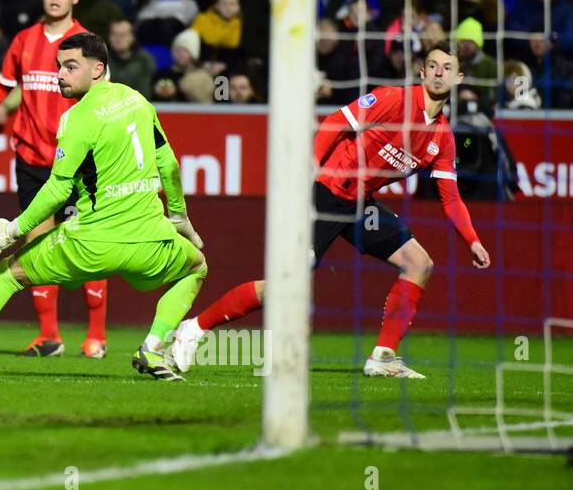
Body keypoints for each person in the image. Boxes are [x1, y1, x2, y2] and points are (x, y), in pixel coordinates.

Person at [171, 44, 492, 379]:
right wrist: (313, 170)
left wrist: (472, 240)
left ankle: (383, 355)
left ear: (458, 77)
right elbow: (336, 123)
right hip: (325, 193)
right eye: (433, 65)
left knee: (419, 263)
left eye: (447, 67)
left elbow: (451, 199)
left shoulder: (442, 139)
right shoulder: (393, 99)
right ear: (422, 72)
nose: (439, 72)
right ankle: (193, 329)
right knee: (287, 285)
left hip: (359, 205)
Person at [0, 32, 206, 381]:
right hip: (150, 241)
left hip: (90, 245)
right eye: (58, 66)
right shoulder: (138, 101)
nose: (59, 74)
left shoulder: (76, 119)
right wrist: (179, 216)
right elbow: (169, 165)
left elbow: (58, 189)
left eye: (70, 66)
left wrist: (11, 231)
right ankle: (152, 349)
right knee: (197, 267)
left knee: (8, 275)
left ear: (98, 69)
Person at [0, 0, 111, 358]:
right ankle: (50, 336)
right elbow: (3, 86)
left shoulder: (88, 45)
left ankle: (97, 336)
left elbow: (106, 100)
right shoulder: (24, 40)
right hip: (32, 159)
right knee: (36, 242)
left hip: (77, 160)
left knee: (90, 242)